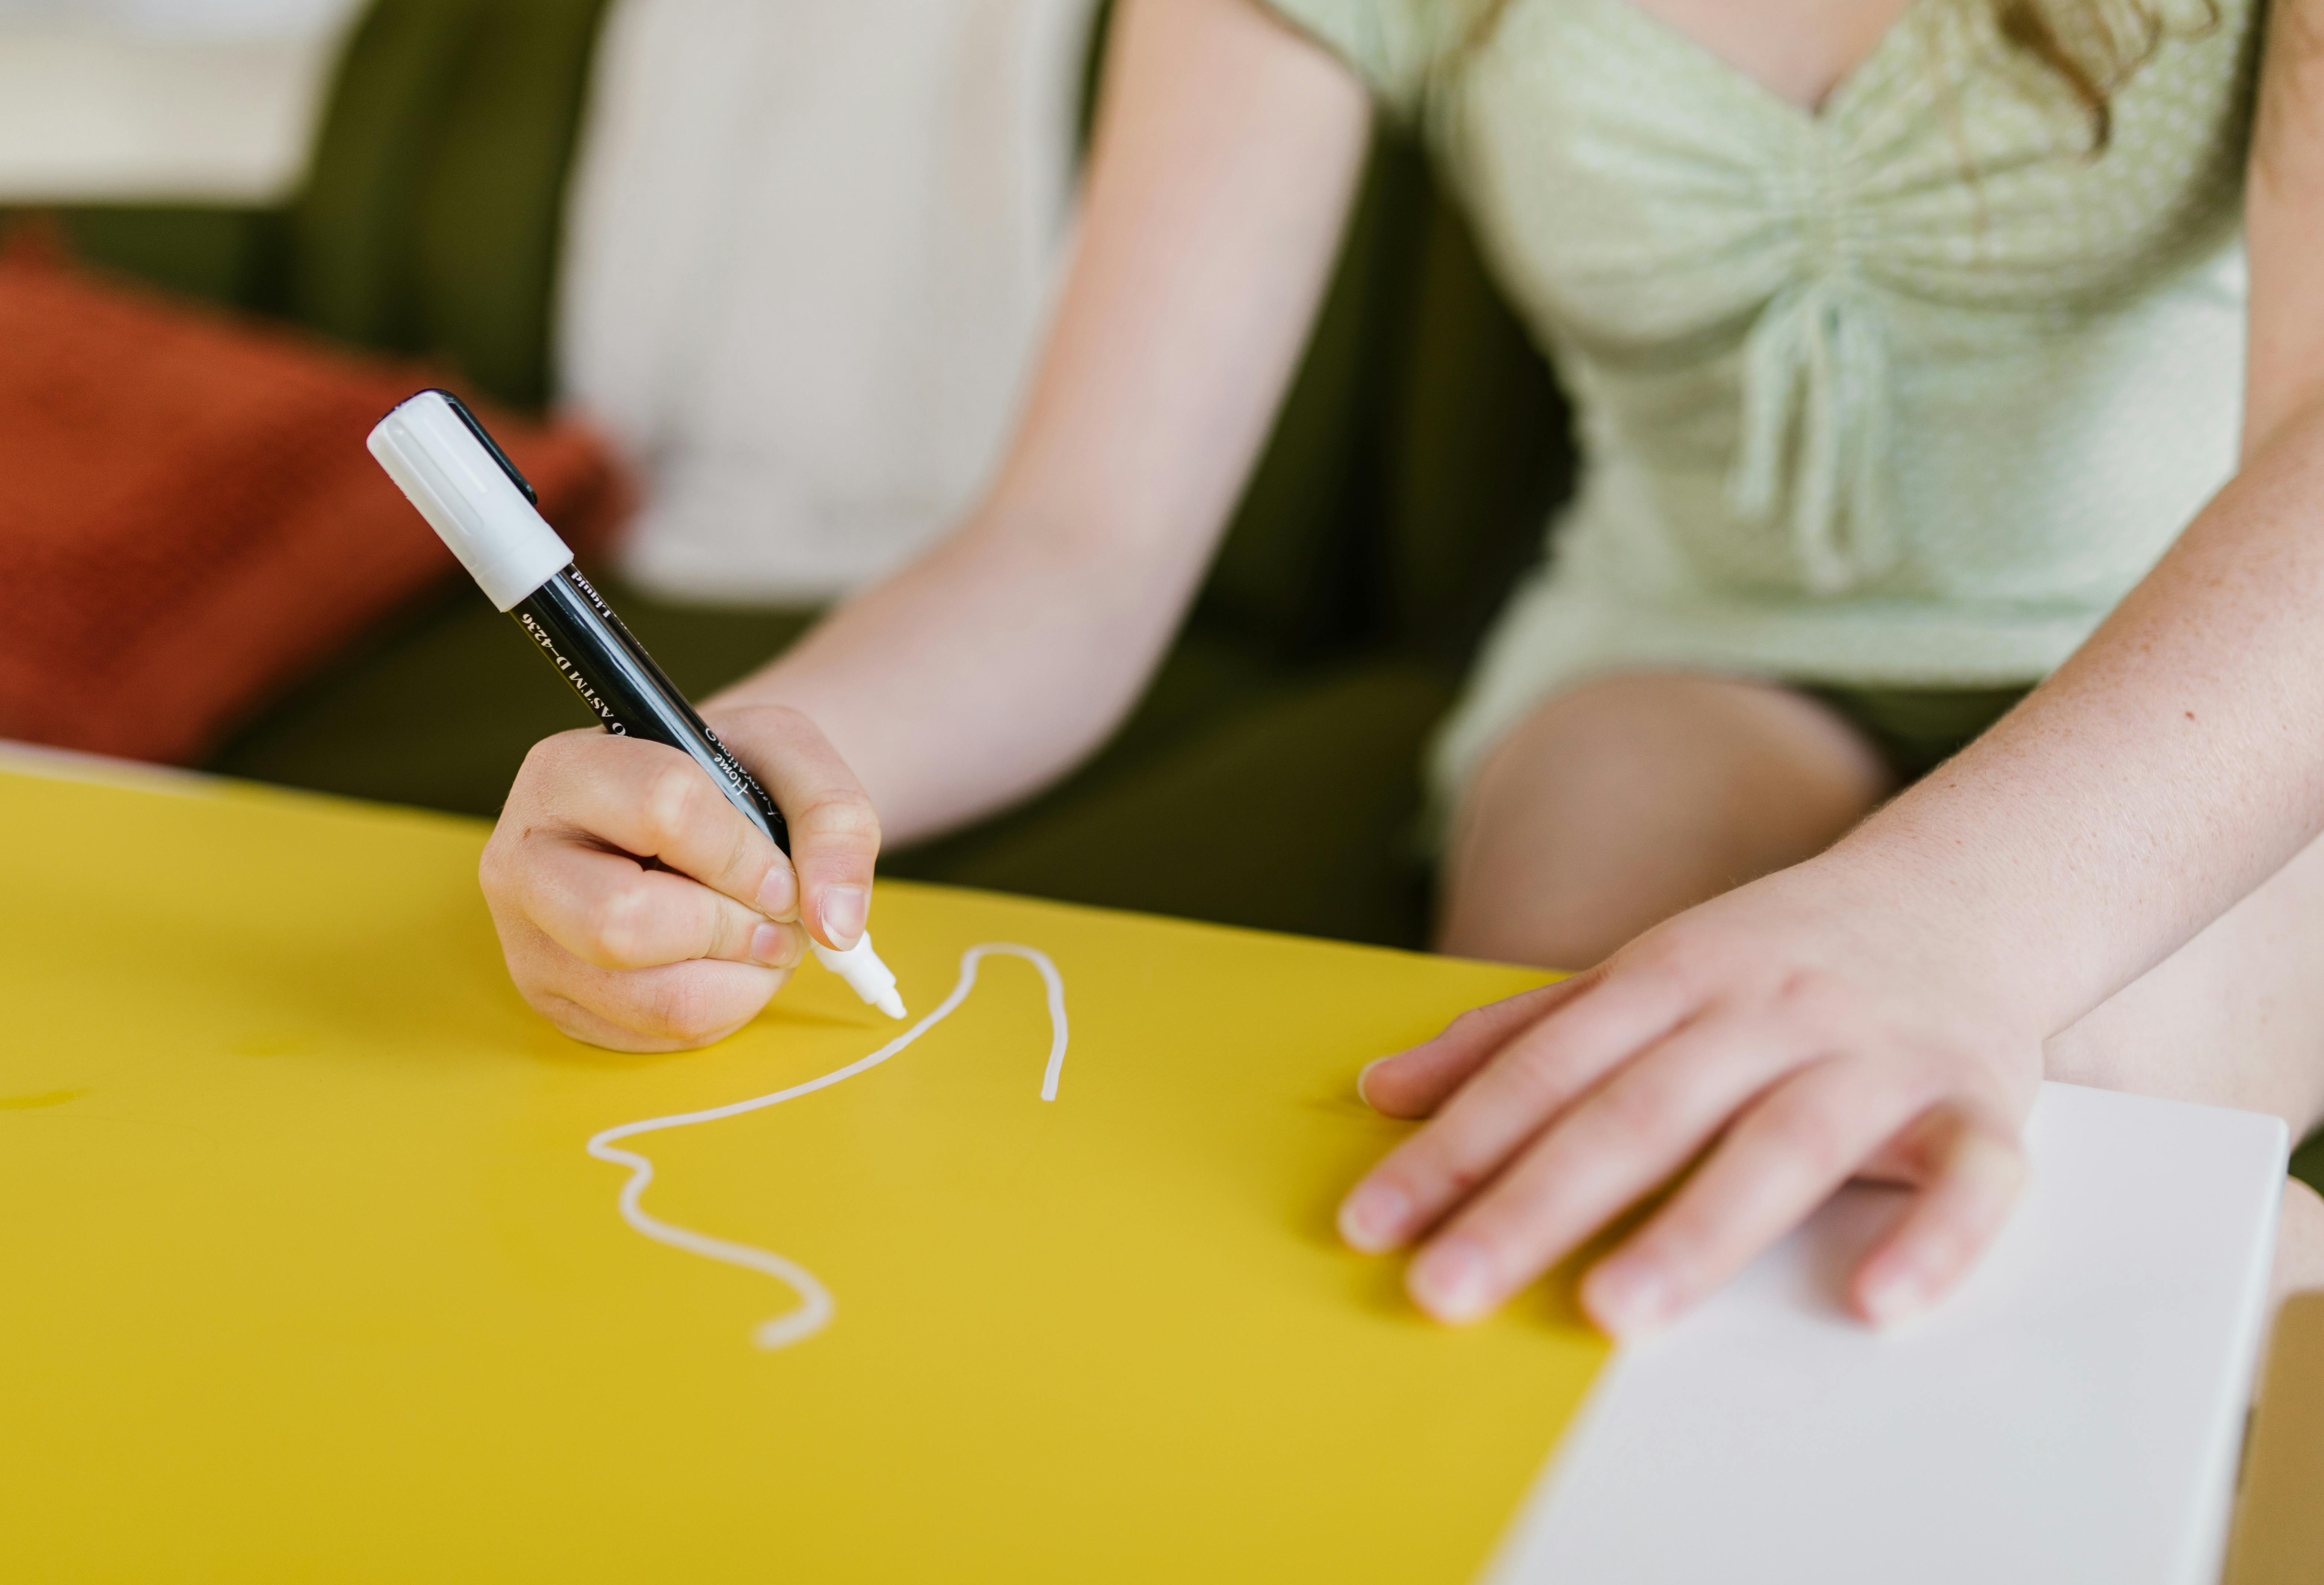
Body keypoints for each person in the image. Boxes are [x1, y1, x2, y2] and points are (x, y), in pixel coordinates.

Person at [477, 0, 2324, 1336]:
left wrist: (1951, 919)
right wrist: (733, 781)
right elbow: (1079, 548)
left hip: (2212, 669)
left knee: (2060, 1147)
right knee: (1576, 1144)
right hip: (1675, 659)